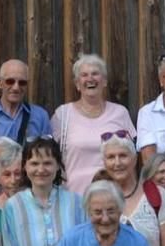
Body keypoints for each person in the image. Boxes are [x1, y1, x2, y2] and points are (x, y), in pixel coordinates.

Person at [50, 53, 135, 195]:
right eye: (84, 75)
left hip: (113, 198)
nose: (90, 79)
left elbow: (132, 158)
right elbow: (50, 157)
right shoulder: (62, 115)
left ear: (104, 81)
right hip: (73, 197)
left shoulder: (120, 113)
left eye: (95, 74)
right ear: (77, 84)